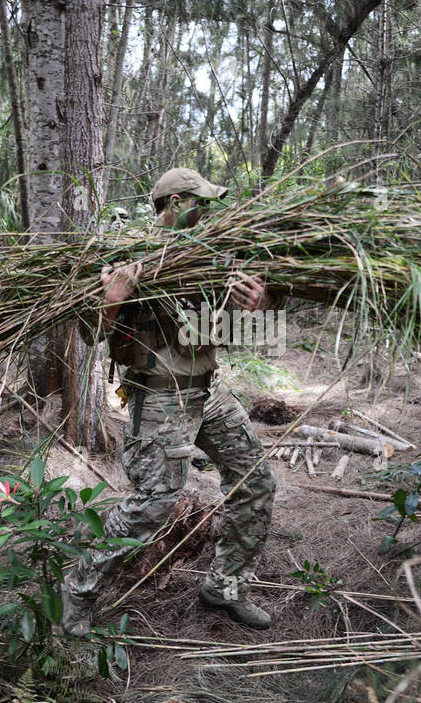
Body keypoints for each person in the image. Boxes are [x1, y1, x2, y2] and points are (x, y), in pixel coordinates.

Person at [61, 168, 284, 636]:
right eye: (201, 202)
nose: (209, 211)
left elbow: (245, 326)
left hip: (208, 387)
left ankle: (225, 587)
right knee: (154, 502)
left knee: (255, 479)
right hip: (161, 395)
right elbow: (89, 332)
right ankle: (77, 590)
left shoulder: (212, 253)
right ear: (177, 202)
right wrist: (113, 298)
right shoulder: (127, 254)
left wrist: (257, 303)